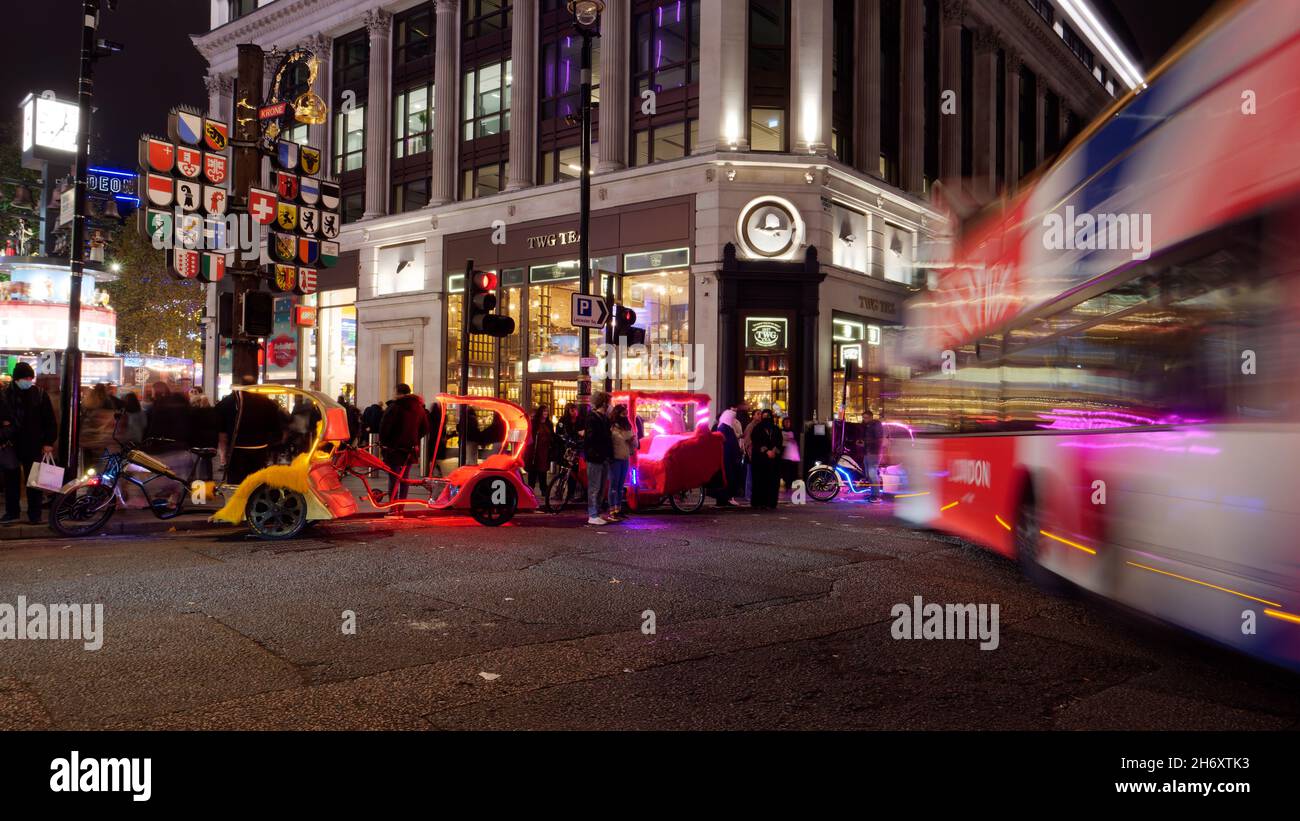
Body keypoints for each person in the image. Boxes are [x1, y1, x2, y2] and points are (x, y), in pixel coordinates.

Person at [1, 362, 57, 524]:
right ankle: (12, 512)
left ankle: (35, 514)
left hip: (34, 444)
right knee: (11, 480)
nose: (28, 381)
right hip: (10, 443)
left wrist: (48, 442)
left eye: (30, 378)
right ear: (17, 379)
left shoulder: (39, 394)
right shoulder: (5, 395)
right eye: (25, 378)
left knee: (34, 481)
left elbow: (49, 420)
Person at [216, 376, 290, 484]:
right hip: (259, 449)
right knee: (256, 484)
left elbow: (222, 432)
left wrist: (223, 454)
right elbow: (276, 428)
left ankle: (240, 500)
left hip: (236, 450)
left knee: (237, 483)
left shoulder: (229, 402)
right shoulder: (266, 402)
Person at [378, 384, 429, 512]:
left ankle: (393, 506)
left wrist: (385, 444)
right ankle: (401, 507)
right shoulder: (419, 408)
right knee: (404, 478)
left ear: (397, 392)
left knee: (393, 478)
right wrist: (414, 439)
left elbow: (385, 428)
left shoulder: (395, 407)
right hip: (409, 449)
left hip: (394, 448)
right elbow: (426, 428)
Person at [583, 392, 614, 526]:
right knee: (595, 487)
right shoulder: (592, 418)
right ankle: (593, 514)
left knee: (601, 487)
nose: (610, 406)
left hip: (603, 456)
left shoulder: (604, 418)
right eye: (608, 403)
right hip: (595, 457)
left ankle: (597, 512)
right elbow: (591, 438)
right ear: (604, 403)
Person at [709, 401, 745, 507]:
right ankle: (724, 499)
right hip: (727, 460)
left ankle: (724, 499)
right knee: (726, 479)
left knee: (725, 480)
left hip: (726, 459)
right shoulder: (726, 429)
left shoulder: (723, 427)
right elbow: (729, 444)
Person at [749, 409, 783, 510]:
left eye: (768, 417)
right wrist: (766, 451)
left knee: (772, 482)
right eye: (764, 417)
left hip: (773, 461)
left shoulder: (776, 429)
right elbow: (756, 442)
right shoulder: (757, 429)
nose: (766, 419)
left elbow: (779, 442)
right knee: (760, 481)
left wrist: (774, 451)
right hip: (760, 461)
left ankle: (771, 502)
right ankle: (759, 502)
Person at [608, 404, 638, 519]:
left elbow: (634, 443)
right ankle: (612, 510)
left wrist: (632, 441)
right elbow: (612, 441)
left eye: (626, 414)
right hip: (615, 458)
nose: (625, 416)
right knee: (614, 485)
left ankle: (618, 508)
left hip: (625, 458)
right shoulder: (612, 426)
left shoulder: (627, 426)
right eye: (623, 413)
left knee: (620, 486)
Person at [525, 404, 554, 495]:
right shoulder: (534, 423)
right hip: (535, 450)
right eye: (544, 411)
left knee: (543, 471)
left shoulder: (549, 423)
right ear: (540, 412)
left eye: (547, 411)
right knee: (533, 471)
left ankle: (543, 490)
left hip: (545, 451)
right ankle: (530, 490)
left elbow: (552, 436)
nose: (546, 413)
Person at [863, 409, 884, 503]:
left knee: (872, 474)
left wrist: (866, 442)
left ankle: (876, 495)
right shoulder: (868, 426)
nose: (864, 419)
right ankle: (873, 494)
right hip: (868, 452)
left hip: (874, 453)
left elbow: (879, 439)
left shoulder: (876, 425)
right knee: (869, 474)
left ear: (871, 417)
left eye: (866, 418)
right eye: (863, 418)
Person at [780, 415, 801, 491]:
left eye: (789, 422)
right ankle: (786, 482)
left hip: (792, 454)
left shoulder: (794, 432)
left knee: (792, 469)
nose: (787, 423)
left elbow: (797, 440)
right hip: (784, 453)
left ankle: (790, 482)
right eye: (786, 422)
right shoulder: (781, 431)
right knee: (785, 469)